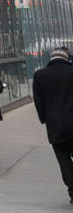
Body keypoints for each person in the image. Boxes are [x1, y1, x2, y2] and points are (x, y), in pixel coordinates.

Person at [33, 47, 73, 204]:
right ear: (66, 58)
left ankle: (72, 189)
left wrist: (44, 118)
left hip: (55, 124)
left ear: (51, 58)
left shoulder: (40, 75)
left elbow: (39, 101)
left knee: (63, 158)